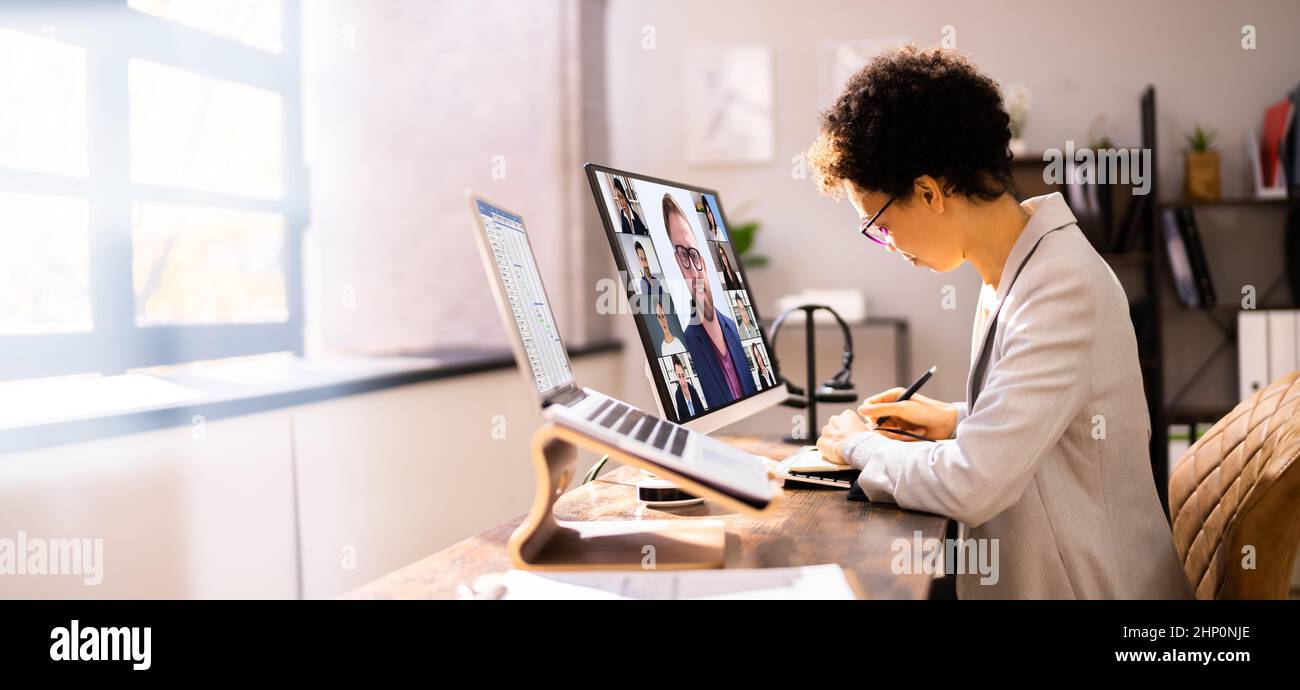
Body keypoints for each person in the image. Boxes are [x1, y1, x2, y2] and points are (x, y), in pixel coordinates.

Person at [808, 45, 1190, 600]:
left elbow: (972, 483)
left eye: (880, 226)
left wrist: (859, 446)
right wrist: (956, 420)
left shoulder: (1061, 286)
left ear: (928, 192)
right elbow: (1055, 421)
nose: (886, 246)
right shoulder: (1015, 270)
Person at [664, 193, 757, 408]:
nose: (695, 273)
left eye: (693, 255)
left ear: (704, 263)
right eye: (683, 256)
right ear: (678, 264)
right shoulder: (686, 345)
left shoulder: (735, 329)